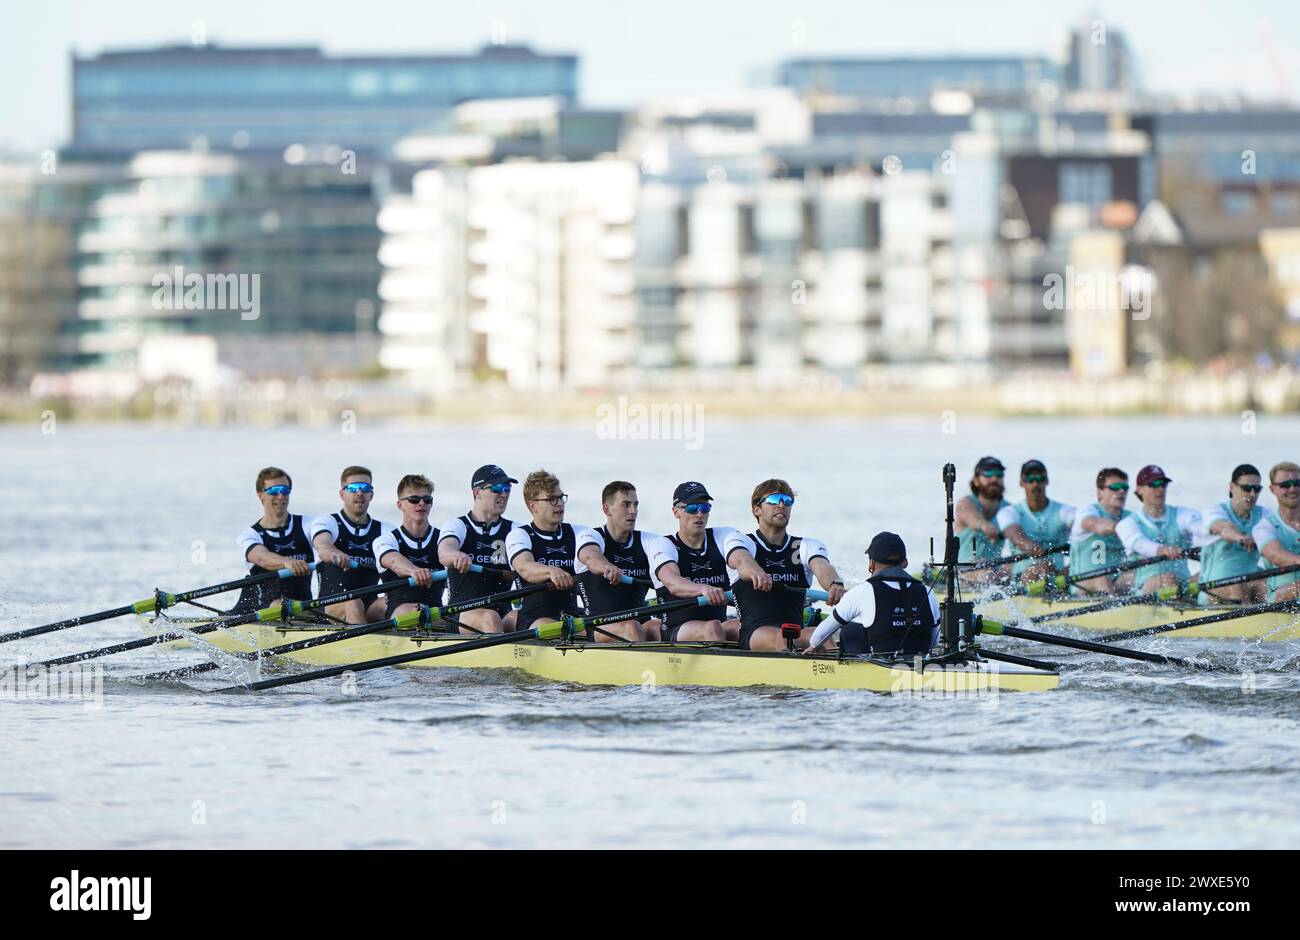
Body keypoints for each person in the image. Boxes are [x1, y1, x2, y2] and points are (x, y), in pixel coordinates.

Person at [506, 470, 632, 639]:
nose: (559, 504)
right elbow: (525, 567)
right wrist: (551, 571)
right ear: (532, 505)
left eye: (561, 497)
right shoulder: (519, 535)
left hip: (574, 617)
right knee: (570, 630)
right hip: (535, 620)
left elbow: (591, 555)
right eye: (552, 499)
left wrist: (605, 566)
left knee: (629, 629)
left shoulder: (579, 532)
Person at [723, 479, 846, 651]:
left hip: (796, 631)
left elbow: (821, 566)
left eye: (787, 501)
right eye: (774, 500)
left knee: (822, 636)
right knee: (781, 638)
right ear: (756, 509)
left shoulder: (803, 546)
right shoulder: (743, 541)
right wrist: (756, 574)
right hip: (755, 634)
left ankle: (840, 672)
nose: (781, 505)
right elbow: (742, 561)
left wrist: (834, 584)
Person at [804, 532, 939, 657]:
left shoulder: (863, 590)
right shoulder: (928, 591)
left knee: (850, 629)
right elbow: (935, 641)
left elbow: (821, 633)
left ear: (872, 563)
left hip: (881, 664)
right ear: (905, 562)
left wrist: (812, 646)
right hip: (921, 663)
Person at [648, 482, 741, 643]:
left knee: (748, 626)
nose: (699, 514)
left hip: (718, 625)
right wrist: (704, 589)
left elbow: (742, 560)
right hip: (675, 629)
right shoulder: (663, 544)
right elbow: (673, 583)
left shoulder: (724, 536)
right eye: (692, 508)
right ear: (676, 511)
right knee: (713, 627)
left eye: (705, 508)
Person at [574, 481, 662, 641]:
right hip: (598, 626)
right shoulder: (590, 536)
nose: (633, 511)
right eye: (626, 505)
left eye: (636, 505)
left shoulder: (650, 541)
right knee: (632, 628)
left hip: (640, 622)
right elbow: (590, 556)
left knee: (660, 626)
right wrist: (606, 567)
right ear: (607, 509)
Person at [437, 464, 518, 634]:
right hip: (460, 615)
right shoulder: (458, 525)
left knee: (521, 617)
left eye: (507, 488)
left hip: (503, 613)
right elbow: (444, 552)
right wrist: (457, 555)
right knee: (490, 618)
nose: (504, 494)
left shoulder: (515, 531)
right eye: (496, 488)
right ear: (477, 492)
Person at [310, 466, 388, 624]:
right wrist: (335, 554)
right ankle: (364, 646)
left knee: (397, 605)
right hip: (330, 607)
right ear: (342, 494)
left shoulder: (385, 530)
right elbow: (322, 546)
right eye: (353, 488)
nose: (359, 493)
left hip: (370, 605)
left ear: (371, 495)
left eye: (365, 488)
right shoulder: (328, 522)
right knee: (353, 602)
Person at [232, 467, 314, 614]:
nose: (280, 495)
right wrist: (287, 562)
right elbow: (262, 558)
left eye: (285, 490)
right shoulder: (250, 535)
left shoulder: (308, 525)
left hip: (304, 609)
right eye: (274, 491)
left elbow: (324, 543)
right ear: (260, 495)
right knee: (279, 605)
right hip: (263, 612)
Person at [1116, 464, 1201, 595]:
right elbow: (1139, 544)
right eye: (1154, 484)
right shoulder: (1127, 524)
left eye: (1163, 484)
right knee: (1168, 578)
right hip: (1146, 588)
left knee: (1207, 576)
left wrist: (1217, 534)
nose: (1160, 489)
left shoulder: (1182, 514)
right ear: (1139, 490)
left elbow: (1202, 528)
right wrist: (1163, 550)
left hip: (1183, 584)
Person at [374, 474, 445, 620]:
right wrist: (414, 571)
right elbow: (392, 560)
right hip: (399, 614)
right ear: (400, 505)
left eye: (427, 500)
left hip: (438, 613)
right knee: (419, 612)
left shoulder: (443, 540)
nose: (421, 504)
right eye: (414, 499)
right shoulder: (386, 540)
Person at [995, 459, 1076, 588]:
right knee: (1036, 571)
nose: (1035, 483)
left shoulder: (1065, 511)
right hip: (1023, 579)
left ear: (1047, 481)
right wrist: (1032, 548)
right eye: (1030, 479)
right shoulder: (1009, 512)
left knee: (1077, 567)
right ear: (1022, 483)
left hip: (1058, 575)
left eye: (1040, 478)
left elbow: (1079, 526)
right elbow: (1014, 534)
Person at [1197, 464, 1266, 604]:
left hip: (1250, 583)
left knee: (1270, 584)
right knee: (1238, 587)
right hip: (1212, 589)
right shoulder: (1214, 511)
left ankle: (1282, 621)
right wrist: (1241, 538)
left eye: (1257, 489)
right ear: (1232, 487)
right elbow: (1223, 528)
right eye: (1246, 488)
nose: (1252, 494)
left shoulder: (1265, 515)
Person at [1068, 467, 1135, 594]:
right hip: (1082, 583)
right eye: (1115, 487)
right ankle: (1116, 612)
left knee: (1140, 575)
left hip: (1116, 581)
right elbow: (1095, 524)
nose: (1121, 491)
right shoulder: (1087, 511)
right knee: (1102, 579)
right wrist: (1123, 529)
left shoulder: (1131, 517)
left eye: (1125, 488)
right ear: (1100, 492)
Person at [955, 456, 1010, 586]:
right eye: (988, 473)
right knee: (986, 571)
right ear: (976, 480)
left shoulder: (1008, 509)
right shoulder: (965, 503)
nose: (994, 478)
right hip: (962, 572)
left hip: (993, 571)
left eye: (999, 474)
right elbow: (974, 519)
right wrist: (984, 526)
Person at [1252, 461, 1300, 603]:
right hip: (1281, 598)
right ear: (1273, 489)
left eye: (1297, 483)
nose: (1292, 489)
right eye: (1285, 485)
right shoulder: (1264, 526)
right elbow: (1276, 555)